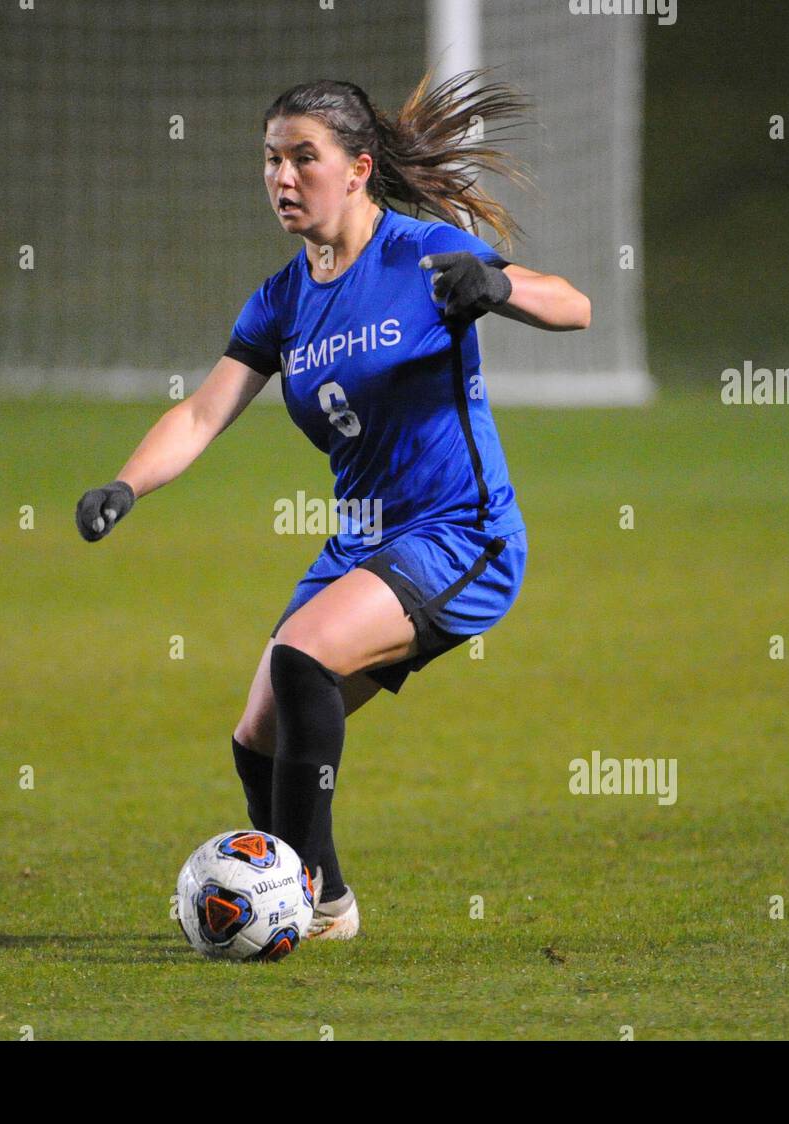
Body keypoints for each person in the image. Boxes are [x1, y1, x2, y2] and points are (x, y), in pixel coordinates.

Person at [76, 70, 590, 943]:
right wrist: (126, 485)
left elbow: (572, 306)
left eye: (301, 158)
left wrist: (499, 289)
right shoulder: (281, 300)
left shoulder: (421, 251)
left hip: (462, 534)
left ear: (356, 169)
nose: (282, 177)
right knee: (256, 739)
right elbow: (203, 412)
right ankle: (332, 906)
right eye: (271, 159)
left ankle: (296, 893)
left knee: (303, 656)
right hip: (362, 544)